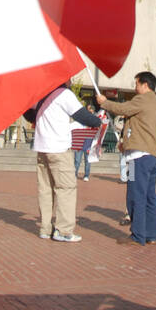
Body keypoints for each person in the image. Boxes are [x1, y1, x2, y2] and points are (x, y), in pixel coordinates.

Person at [25, 83, 102, 243]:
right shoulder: (64, 94)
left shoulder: (41, 93)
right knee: (66, 188)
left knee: (46, 189)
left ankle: (45, 228)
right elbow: (82, 115)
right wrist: (98, 121)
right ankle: (64, 230)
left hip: (42, 148)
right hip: (59, 148)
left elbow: (29, 115)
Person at [98, 74, 156, 245]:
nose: (135, 87)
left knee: (136, 194)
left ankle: (137, 235)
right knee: (150, 197)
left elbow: (123, 109)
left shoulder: (143, 99)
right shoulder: (155, 103)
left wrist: (104, 102)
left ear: (144, 84)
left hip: (139, 157)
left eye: (136, 83)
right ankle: (150, 235)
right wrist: (125, 143)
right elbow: (141, 128)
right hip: (151, 155)